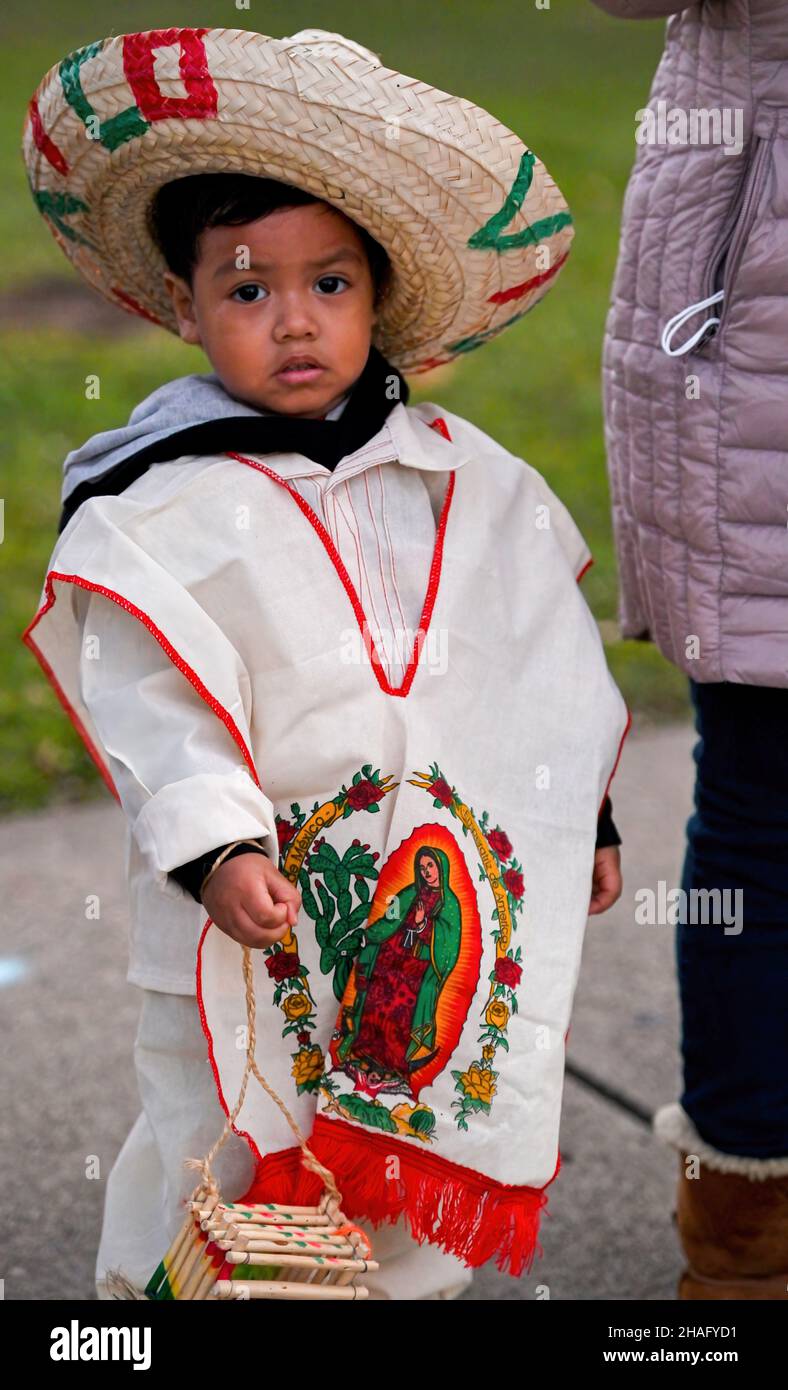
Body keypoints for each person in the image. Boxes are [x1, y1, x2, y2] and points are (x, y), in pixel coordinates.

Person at [22, 25, 629, 1300]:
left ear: (380, 296)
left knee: (409, 1145)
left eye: (330, 284)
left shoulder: (466, 480)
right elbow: (153, 700)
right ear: (182, 306)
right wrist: (215, 847)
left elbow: (537, 667)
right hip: (245, 919)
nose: (292, 321)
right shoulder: (154, 508)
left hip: (429, 924)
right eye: (246, 291)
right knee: (219, 1147)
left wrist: (586, 815)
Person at [589, 0, 788, 1299]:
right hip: (757, 289)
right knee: (766, 798)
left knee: (760, 811)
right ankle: (746, 1227)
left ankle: (743, 1236)